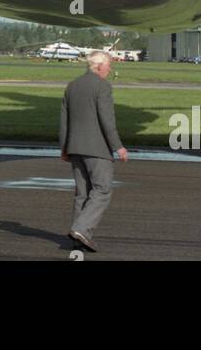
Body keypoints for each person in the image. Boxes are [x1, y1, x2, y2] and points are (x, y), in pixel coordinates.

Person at [60, 50, 128, 252]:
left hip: (75, 147)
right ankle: (81, 229)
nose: (110, 70)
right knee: (102, 190)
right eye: (108, 66)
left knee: (82, 193)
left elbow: (64, 120)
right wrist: (118, 146)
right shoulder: (103, 86)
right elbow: (107, 120)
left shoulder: (72, 85)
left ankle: (78, 237)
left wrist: (64, 147)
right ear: (99, 66)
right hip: (97, 149)